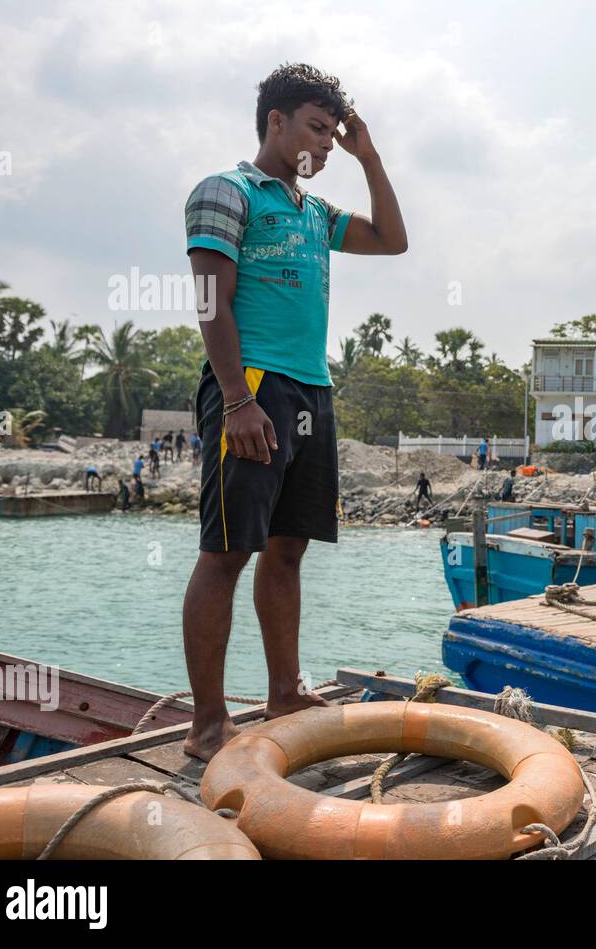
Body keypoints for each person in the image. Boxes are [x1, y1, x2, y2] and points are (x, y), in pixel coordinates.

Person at [179, 63, 407, 761]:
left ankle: (283, 690)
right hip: (252, 384)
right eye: (317, 126)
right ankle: (207, 723)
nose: (328, 143)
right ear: (275, 122)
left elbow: (393, 239)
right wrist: (240, 400)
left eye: (335, 134)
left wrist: (369, 156)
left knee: (289, 547)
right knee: (227, 551)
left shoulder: (316, 213)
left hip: (312, 388)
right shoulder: (228, 191)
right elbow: (212, 302)